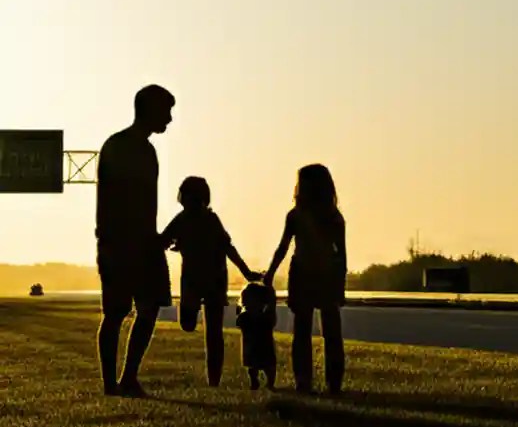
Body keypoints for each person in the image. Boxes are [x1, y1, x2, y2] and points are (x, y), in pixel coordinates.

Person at [95, 84, 175, 398]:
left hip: (143, 243)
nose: (169, 119)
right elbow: (116, 202)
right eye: (166, 111)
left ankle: (128, 377)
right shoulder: (119, 146)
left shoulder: (145, 150)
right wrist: (113, 241)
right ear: (149, 110)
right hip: (120, 243)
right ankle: (110, 382)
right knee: (115, 312)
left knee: (148, 307)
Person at [159, 175, 262, 387]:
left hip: (210, 280)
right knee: (199, 328)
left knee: (212, 332)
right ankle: (214, 379)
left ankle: (214, 380)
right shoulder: (188, 220)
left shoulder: (202, 220)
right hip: (199, 280)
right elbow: (163, 240)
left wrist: (246, 272)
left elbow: (227, 247)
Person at [264, 164, 347, 395]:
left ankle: (312, 381)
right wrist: (270, 273)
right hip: (314, 274)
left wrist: (271, 273)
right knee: (322, 331)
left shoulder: (315, 216)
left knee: (310, 331)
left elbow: (341, 253)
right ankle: (324, 382)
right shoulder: (327, 216)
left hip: (314, 274)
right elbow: (340, 254)